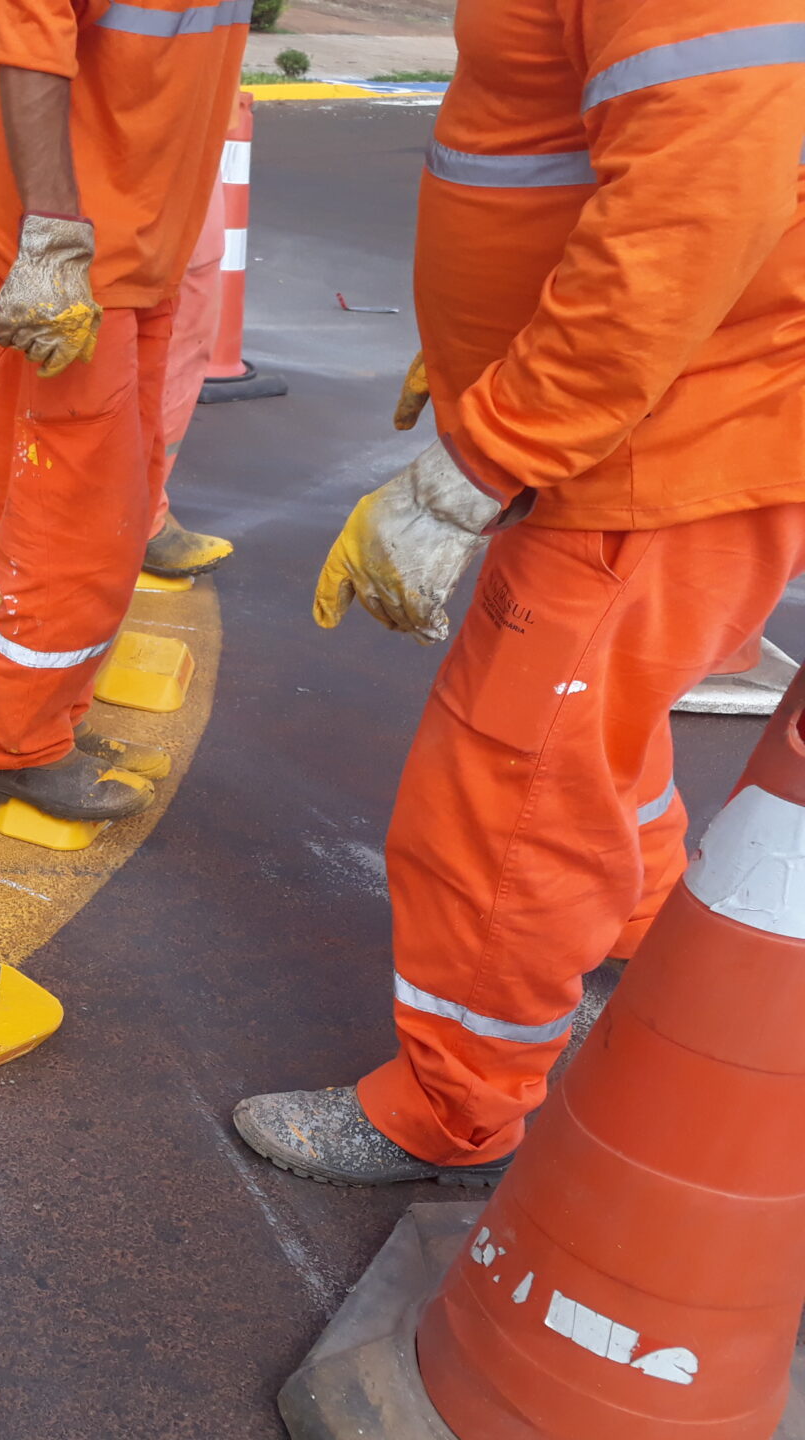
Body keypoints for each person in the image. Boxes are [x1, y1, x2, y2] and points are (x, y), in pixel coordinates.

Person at [234, 0, 805, 1184]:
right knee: (588, 746)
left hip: (650, 452)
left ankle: (449, 1111)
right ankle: (639, 943)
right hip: (662, 431)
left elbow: (687, 212)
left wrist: (479, 459)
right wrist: (478, 348)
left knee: (509, 794)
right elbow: (584, 157)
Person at [0, 0, 247, 824]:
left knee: (112, 519)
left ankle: (51, 723)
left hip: (129, 253)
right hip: (67, 262)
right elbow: (29, 35)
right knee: (69, 524)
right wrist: (51, 235)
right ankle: (13, 748)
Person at [0, 183, 237, 582]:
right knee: (166, 333)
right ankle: (137, 519)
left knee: (47, 325)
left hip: (51, 182)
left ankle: (1, 494)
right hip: (153, 179)